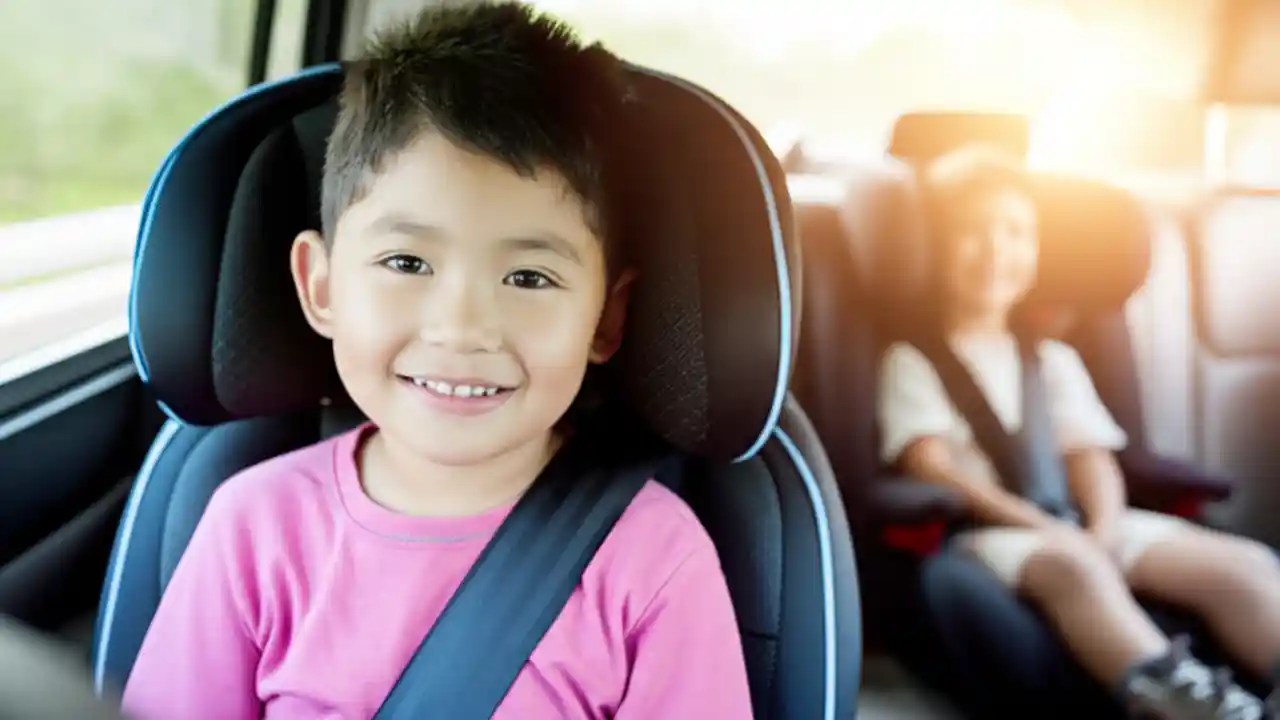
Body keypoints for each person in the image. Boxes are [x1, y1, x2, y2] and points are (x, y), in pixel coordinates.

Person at [121, 4, 752, 718]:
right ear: (322, 288)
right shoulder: (254, 529)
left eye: (529, 277)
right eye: (406, 262)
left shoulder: (652, 561)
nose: (461, 328)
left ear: (605, 319)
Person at [878, 146, 1280, 720]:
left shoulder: (1052, 358)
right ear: (936, 248)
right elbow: (932, 467)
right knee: (1076, 567)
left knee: (1246, 564)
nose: (995, 250)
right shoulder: (911, 360)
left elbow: (1090, 456)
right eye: (971, 231)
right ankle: (1197, 706)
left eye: (1015, 232)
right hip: (992, 535)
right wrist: (1043, 527)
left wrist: (1105, 528)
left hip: (1078, 524)